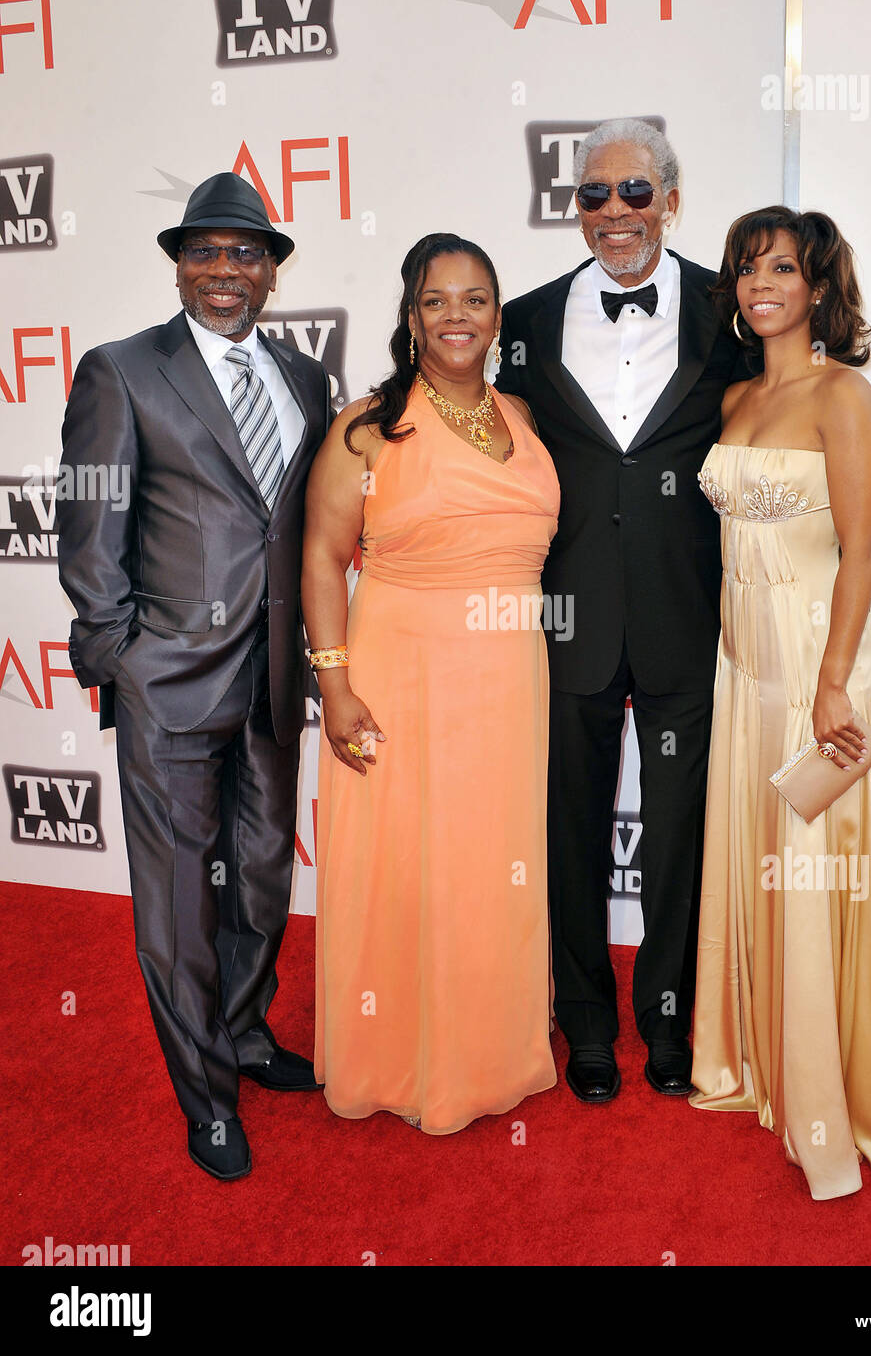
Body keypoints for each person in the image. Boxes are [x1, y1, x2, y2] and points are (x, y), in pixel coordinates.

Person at [56, 173, 331, 1180]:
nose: (227, 271)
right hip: (166, 682)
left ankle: (247, 1033)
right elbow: (89, 527)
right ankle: (205, 1095)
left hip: (269, 678)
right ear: (179, 263)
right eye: (207, 252)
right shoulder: (121, 371)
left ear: (272, 269)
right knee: (178, 904)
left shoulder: (305, 380)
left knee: (258, 878)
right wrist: (118, 655)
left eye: (247, 253)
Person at [494, 118, 750, 1103]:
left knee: (681, 834)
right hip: (567, 622)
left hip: (691, 615)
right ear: (574, 209)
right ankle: (586, 1023)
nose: (614, 212)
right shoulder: (521, 318)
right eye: (593, 195)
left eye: (633, 192)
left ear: (669, 200)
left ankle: (671, 1020)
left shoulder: (732, 313)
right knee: (568, 833)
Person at [303, 233, 558, 1134]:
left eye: (476, 298)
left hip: (507, 679)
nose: (458, 316)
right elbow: (325, 560)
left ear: (498, 315)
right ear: (411, 318)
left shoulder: (523, 415)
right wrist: (334, 685)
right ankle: (394, 1057)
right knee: (403, 862)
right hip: (400, 671)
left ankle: (491, 1047)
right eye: (437, 300)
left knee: (492, 862)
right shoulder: (367, 428)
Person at [689, 205, 871, 1200]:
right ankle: (757, 1057)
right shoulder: (736, 395)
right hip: (745, 668)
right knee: (759, 861)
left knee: (810, 871)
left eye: (780, 268)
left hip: (818, 669)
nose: (758, 284)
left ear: (817, 285)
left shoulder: (843, 396)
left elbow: (861, 547)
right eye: (745, 268)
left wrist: (829, 681)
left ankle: (826, 1094)